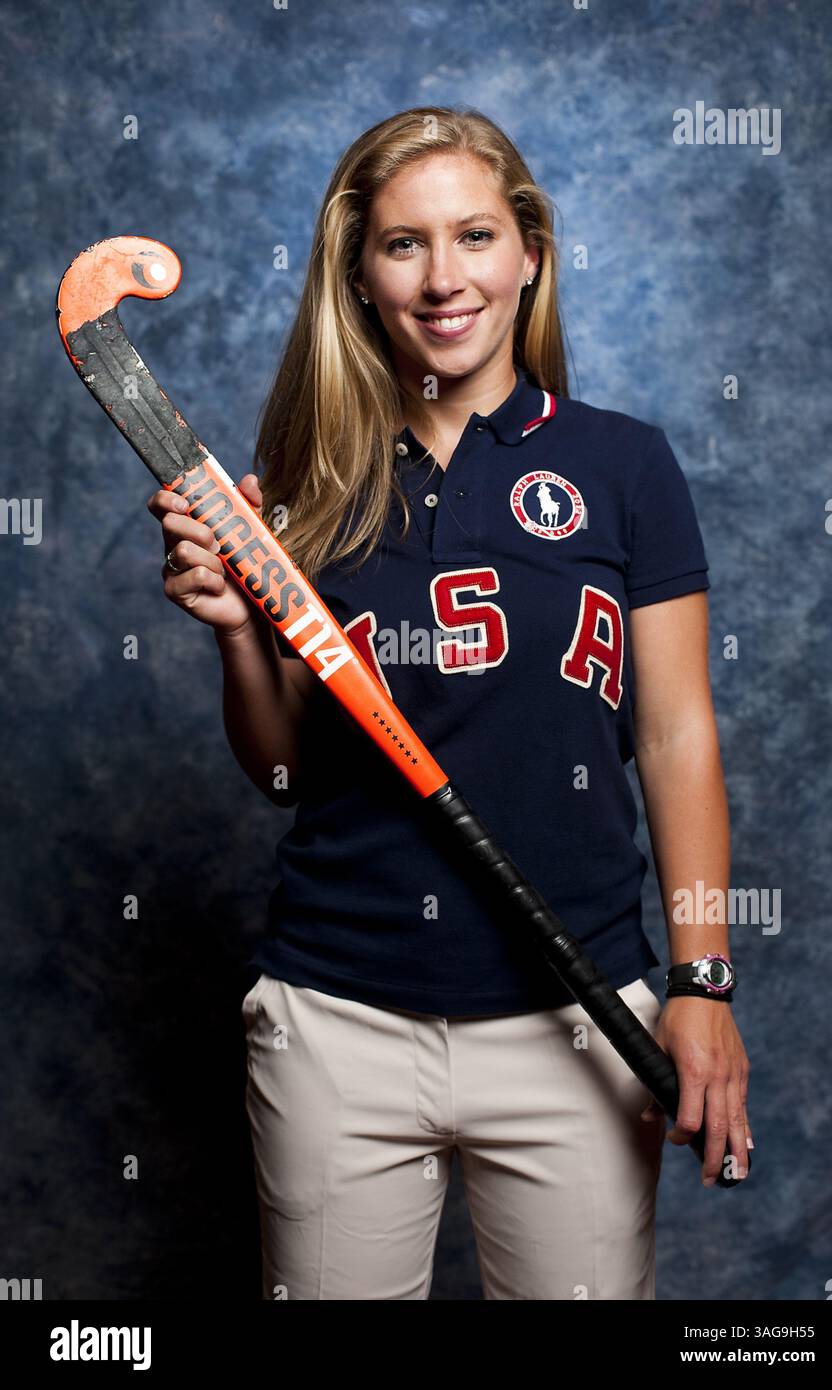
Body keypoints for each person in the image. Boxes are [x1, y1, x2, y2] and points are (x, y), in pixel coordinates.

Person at [147, 105, 752, 1301]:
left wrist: (701, 979)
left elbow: (676, 735)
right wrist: (237, 641)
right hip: (336, 1018)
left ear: (527, 251)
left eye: (474, 235)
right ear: (359, 275)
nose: (443, 279)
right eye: (402, 244)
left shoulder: (623, 464)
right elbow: (283, 771)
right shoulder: (309, 477)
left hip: (577, 1013)